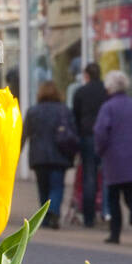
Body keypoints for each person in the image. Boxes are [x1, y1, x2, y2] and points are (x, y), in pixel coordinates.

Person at [94, 69, 132, 245]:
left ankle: (115, 234)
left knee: (113, 197)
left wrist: (99, 150)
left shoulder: (108, 107)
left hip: (115, 159)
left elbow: (100, 132)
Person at [21, 80, 77, 229]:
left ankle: (44, 218)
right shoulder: (64, 110)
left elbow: (24, 133)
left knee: (43, 187)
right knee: (57, 186)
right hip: (59, 155)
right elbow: (72, 131)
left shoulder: (33, 111)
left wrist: (16, 153)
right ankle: (53, 211)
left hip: (39, 156)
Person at [71, 62, 107, 227]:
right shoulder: (106, 92)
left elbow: (75, 116)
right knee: (107, 175)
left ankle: (89, 216)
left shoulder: (80, 92)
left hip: (87, 136)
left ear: (86, 75)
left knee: (89, 175)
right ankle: (107, 212)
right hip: (106, 136)